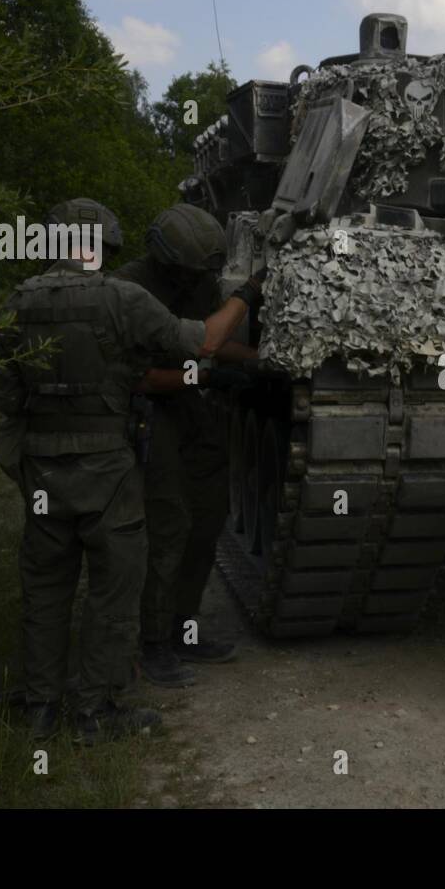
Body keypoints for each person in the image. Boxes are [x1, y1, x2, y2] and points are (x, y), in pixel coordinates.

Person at [0, 198, 265, 745]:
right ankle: (95, 710)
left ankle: (41, 709)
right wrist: (246, 296)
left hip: (43, 470)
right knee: (113, 592)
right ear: (101, 246)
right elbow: (204, 342)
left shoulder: (13, 305)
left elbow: (1, 399)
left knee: (46, 591)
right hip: (106, 468)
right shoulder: (120, 298)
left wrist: (29, 460)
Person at [112, 204, 253, 687]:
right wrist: (210, 371)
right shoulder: (127, 290)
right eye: (195, 270)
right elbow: (142, 379)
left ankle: (183, 629)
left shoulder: (194, 280)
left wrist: (261, 361)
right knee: (168, 528)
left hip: (192, 412)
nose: (201, 279)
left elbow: (208, 338)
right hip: (152, 415)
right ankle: (154, 644)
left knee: (207, 520)